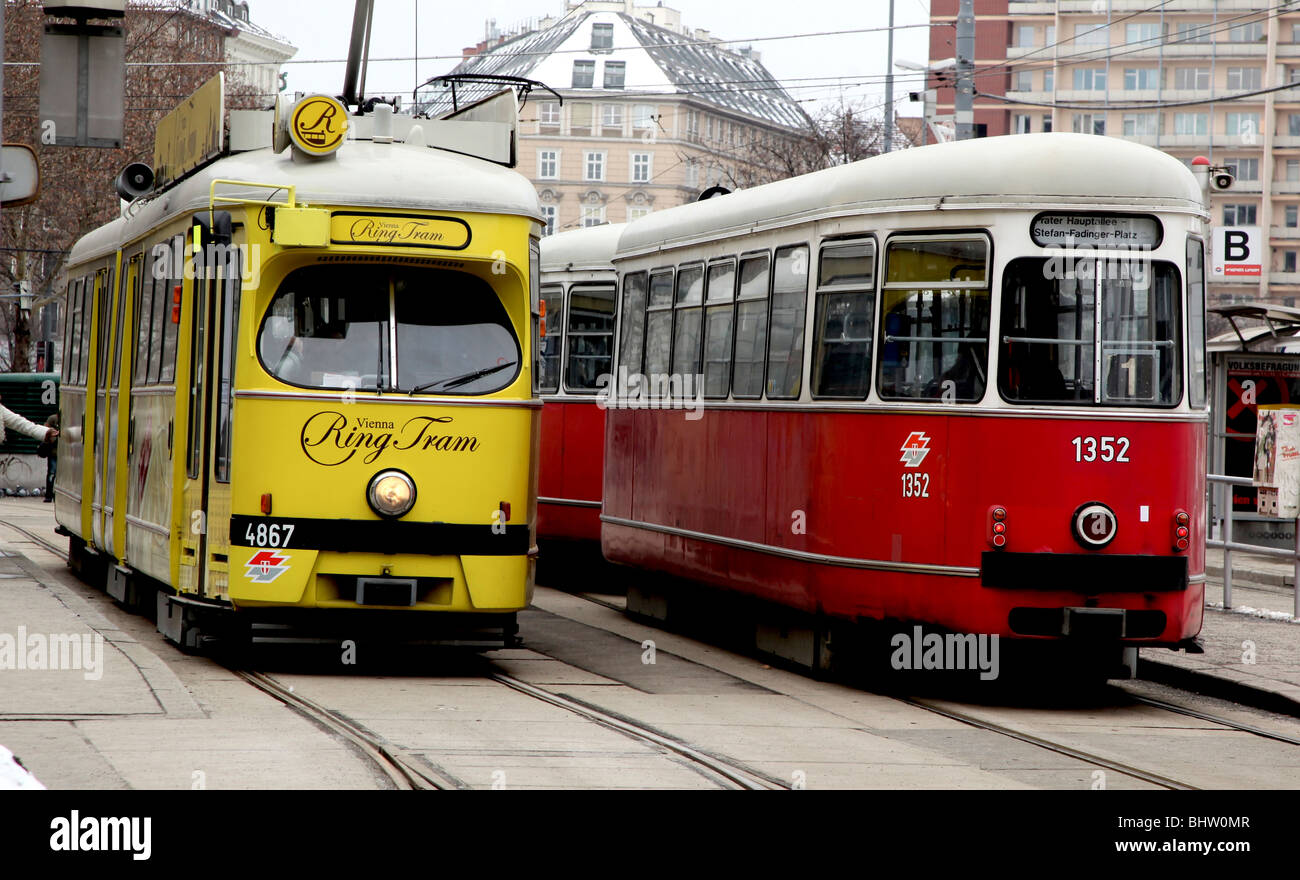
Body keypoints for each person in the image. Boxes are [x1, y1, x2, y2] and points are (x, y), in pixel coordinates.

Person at [36, 413, 58, 502]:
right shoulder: (53, 418)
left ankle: (50, 495)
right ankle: (49, 495)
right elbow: (46, 432)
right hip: (54, 453)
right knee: (52, 474)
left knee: (52, 474)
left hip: (60, 453)